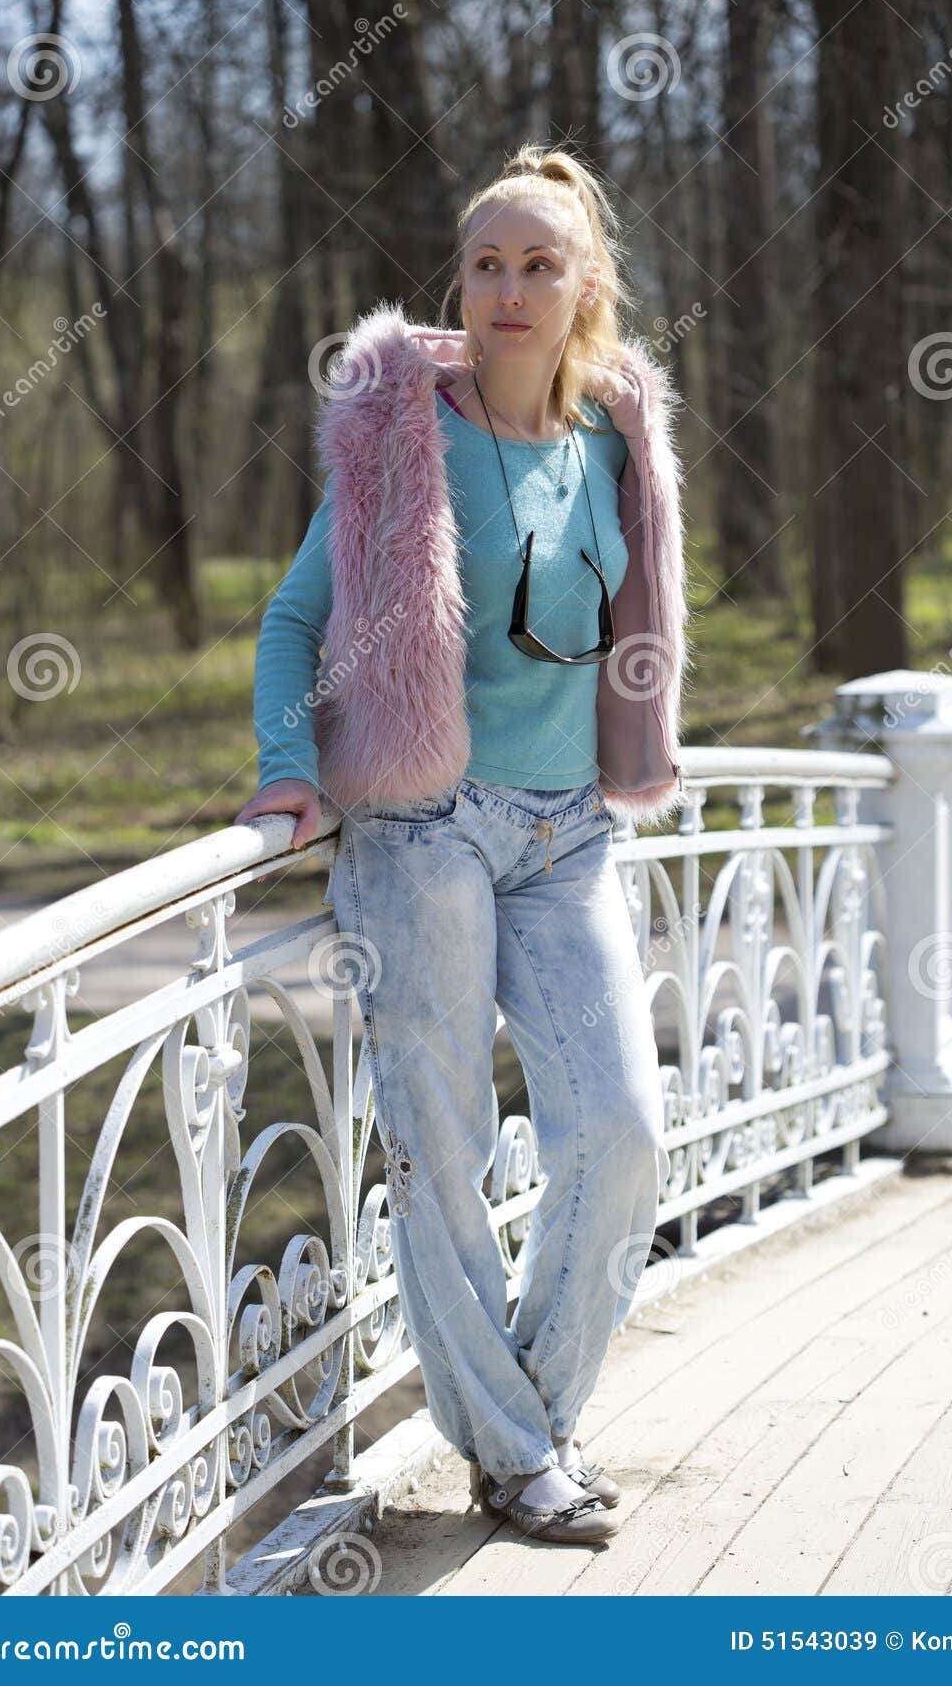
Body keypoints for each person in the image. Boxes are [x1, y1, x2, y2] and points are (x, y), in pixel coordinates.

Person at [235, 143, 690, 1545]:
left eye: (538, 264)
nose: (507, 287)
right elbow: (295, 622)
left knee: (620, 1133)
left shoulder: (619, 444)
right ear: (462, 282)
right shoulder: (404, 433)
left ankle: (522, 1424)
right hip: (420, 826)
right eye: (485, 262)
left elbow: (631, 629)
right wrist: (285, 769)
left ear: (586, 288)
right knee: (435, 1141)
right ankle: (524, 1455)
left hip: (565, 839)